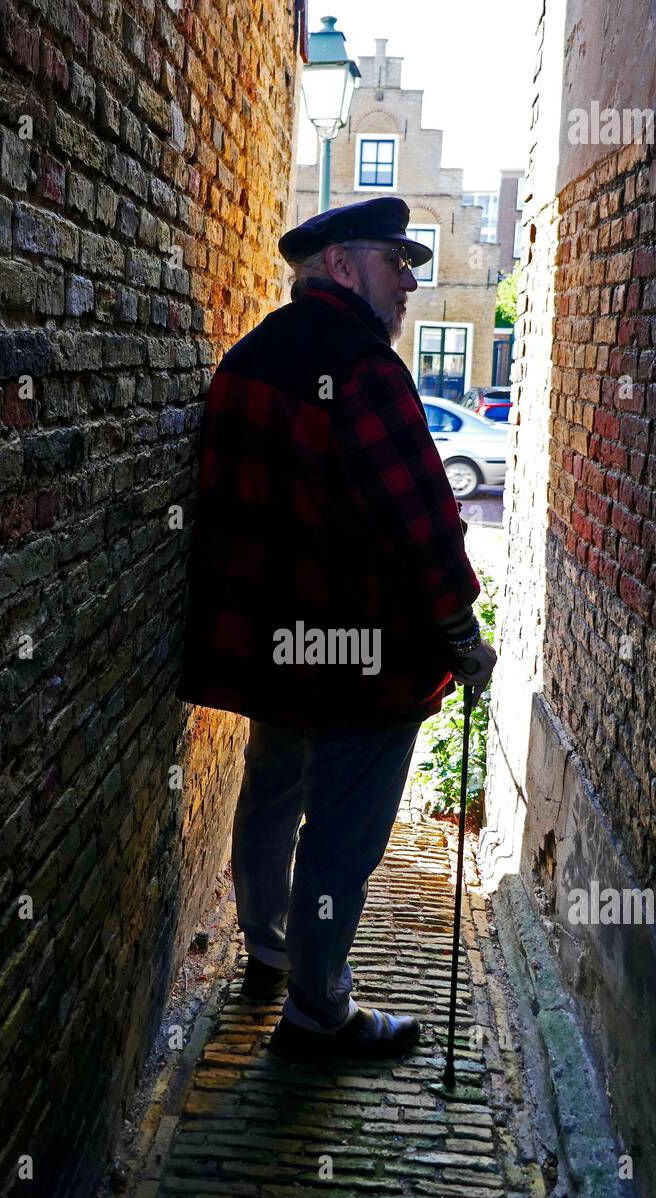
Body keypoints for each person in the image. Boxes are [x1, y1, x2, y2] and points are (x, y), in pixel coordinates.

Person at [175, 196, 497, 1063]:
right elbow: (421, 519)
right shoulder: (364, 368)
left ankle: (270, 949)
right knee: (343, 834)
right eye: (396, 264)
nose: (408, 288)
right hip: (362, 657)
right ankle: (318, 1013)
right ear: (343, 268)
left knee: (273, 791)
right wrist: (465, 639)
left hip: (275, 650)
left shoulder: (246, 361)